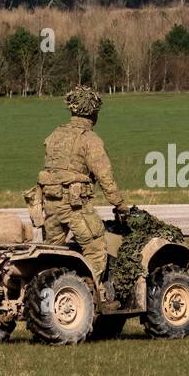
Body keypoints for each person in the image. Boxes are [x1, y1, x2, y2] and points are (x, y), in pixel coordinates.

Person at [38, 85, 129, 294]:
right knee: (96, 249)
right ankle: (91, 296)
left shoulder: (54, 136)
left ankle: (48, 296)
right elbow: (105, 177)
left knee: (53, 253)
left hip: (50, 205)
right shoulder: (90, 139)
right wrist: (120, 205)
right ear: (93, 113)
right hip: (76, 207)